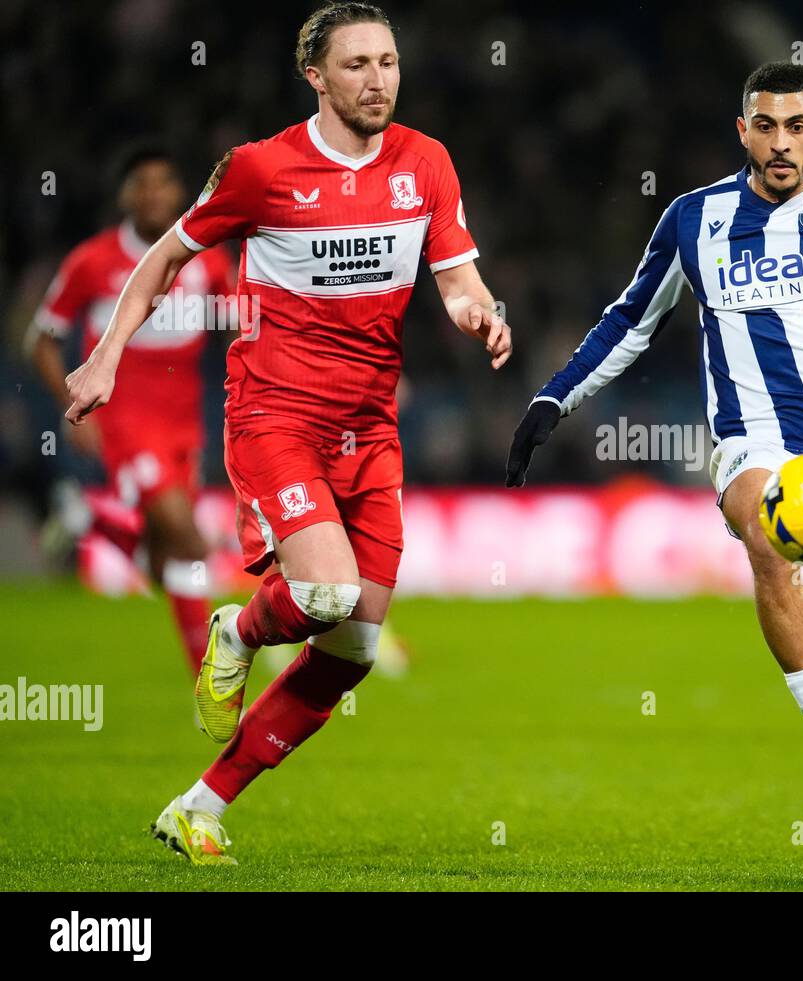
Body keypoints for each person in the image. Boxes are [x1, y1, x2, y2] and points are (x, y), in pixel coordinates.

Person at [63, 1, 511, 865]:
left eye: (387, 62)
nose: (377, 79)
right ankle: (235, 633)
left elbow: (458, 276)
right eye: (357, 65)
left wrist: (478, 313)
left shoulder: (426, 162)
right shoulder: (260, 170)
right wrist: (107, 357)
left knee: (353, 650)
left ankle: (198, 805)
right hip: (275, 415)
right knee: (329, 596)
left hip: (369, 427)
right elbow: (164, 256)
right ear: (316, 76)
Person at [508, 63, 803, 850]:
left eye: (797, 127)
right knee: (765, 534)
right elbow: (629, 322)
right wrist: (553, 399)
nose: (781, 143)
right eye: (766, 125)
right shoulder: (694, 218)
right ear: (742, 129)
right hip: (756, 438)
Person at [28, 146, 234, 675]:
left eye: (163, 183)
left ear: (178, 193)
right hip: (125, 418)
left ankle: (86, 517)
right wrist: (76, 406)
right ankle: (209, 682)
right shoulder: (93, 261)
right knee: (190, 542)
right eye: (141, 183)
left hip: (185, 421)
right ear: (125, 195)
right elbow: (42, 339)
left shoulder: (206, 259)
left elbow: (239, 324)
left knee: (167, 559)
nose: (153, 194)